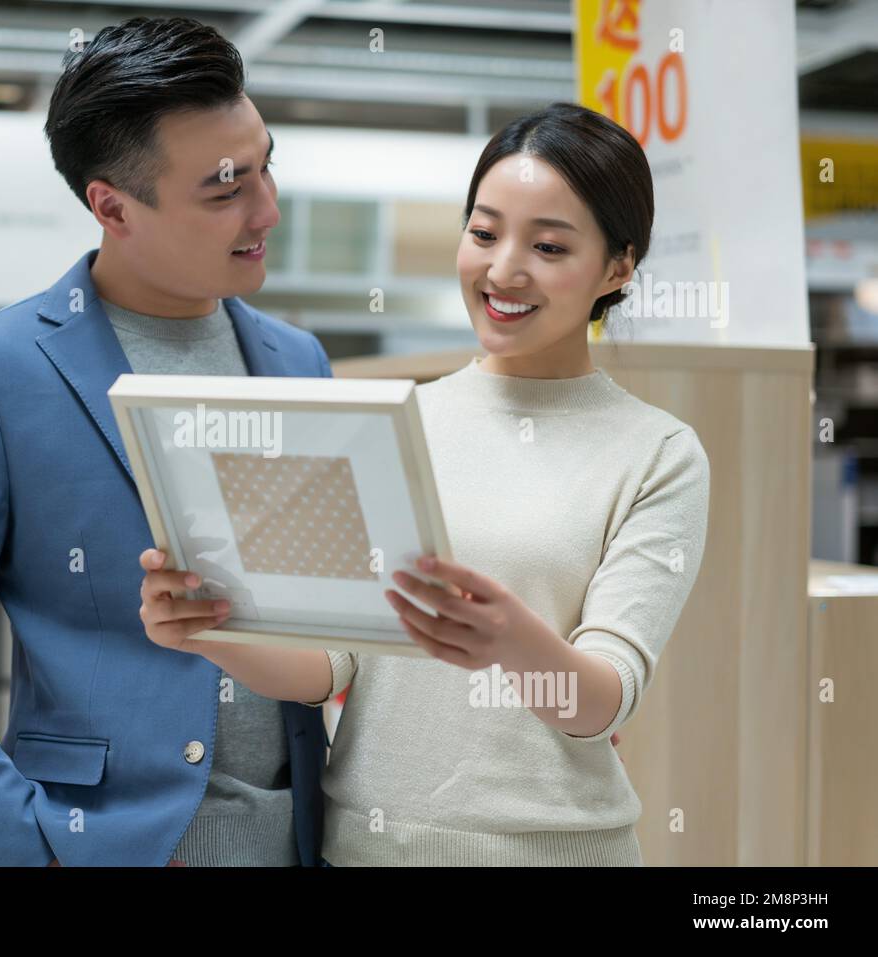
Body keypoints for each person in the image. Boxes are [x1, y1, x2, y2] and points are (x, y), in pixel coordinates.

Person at [139, 102, 711, 866]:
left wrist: (511, 640)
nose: (504, 268)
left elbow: (602, 698)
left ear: (618, 266)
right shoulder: (398, 422)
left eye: (547, 245)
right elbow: (331, 663)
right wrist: (213, 629)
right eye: (484, 232)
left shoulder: (658, 453)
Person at [0, 17, 331, 867]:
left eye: (267, 165)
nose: (266, 208)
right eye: (225, 189)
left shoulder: (297, 362)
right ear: (111, 205)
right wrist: (19, 840)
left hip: (296, 839)